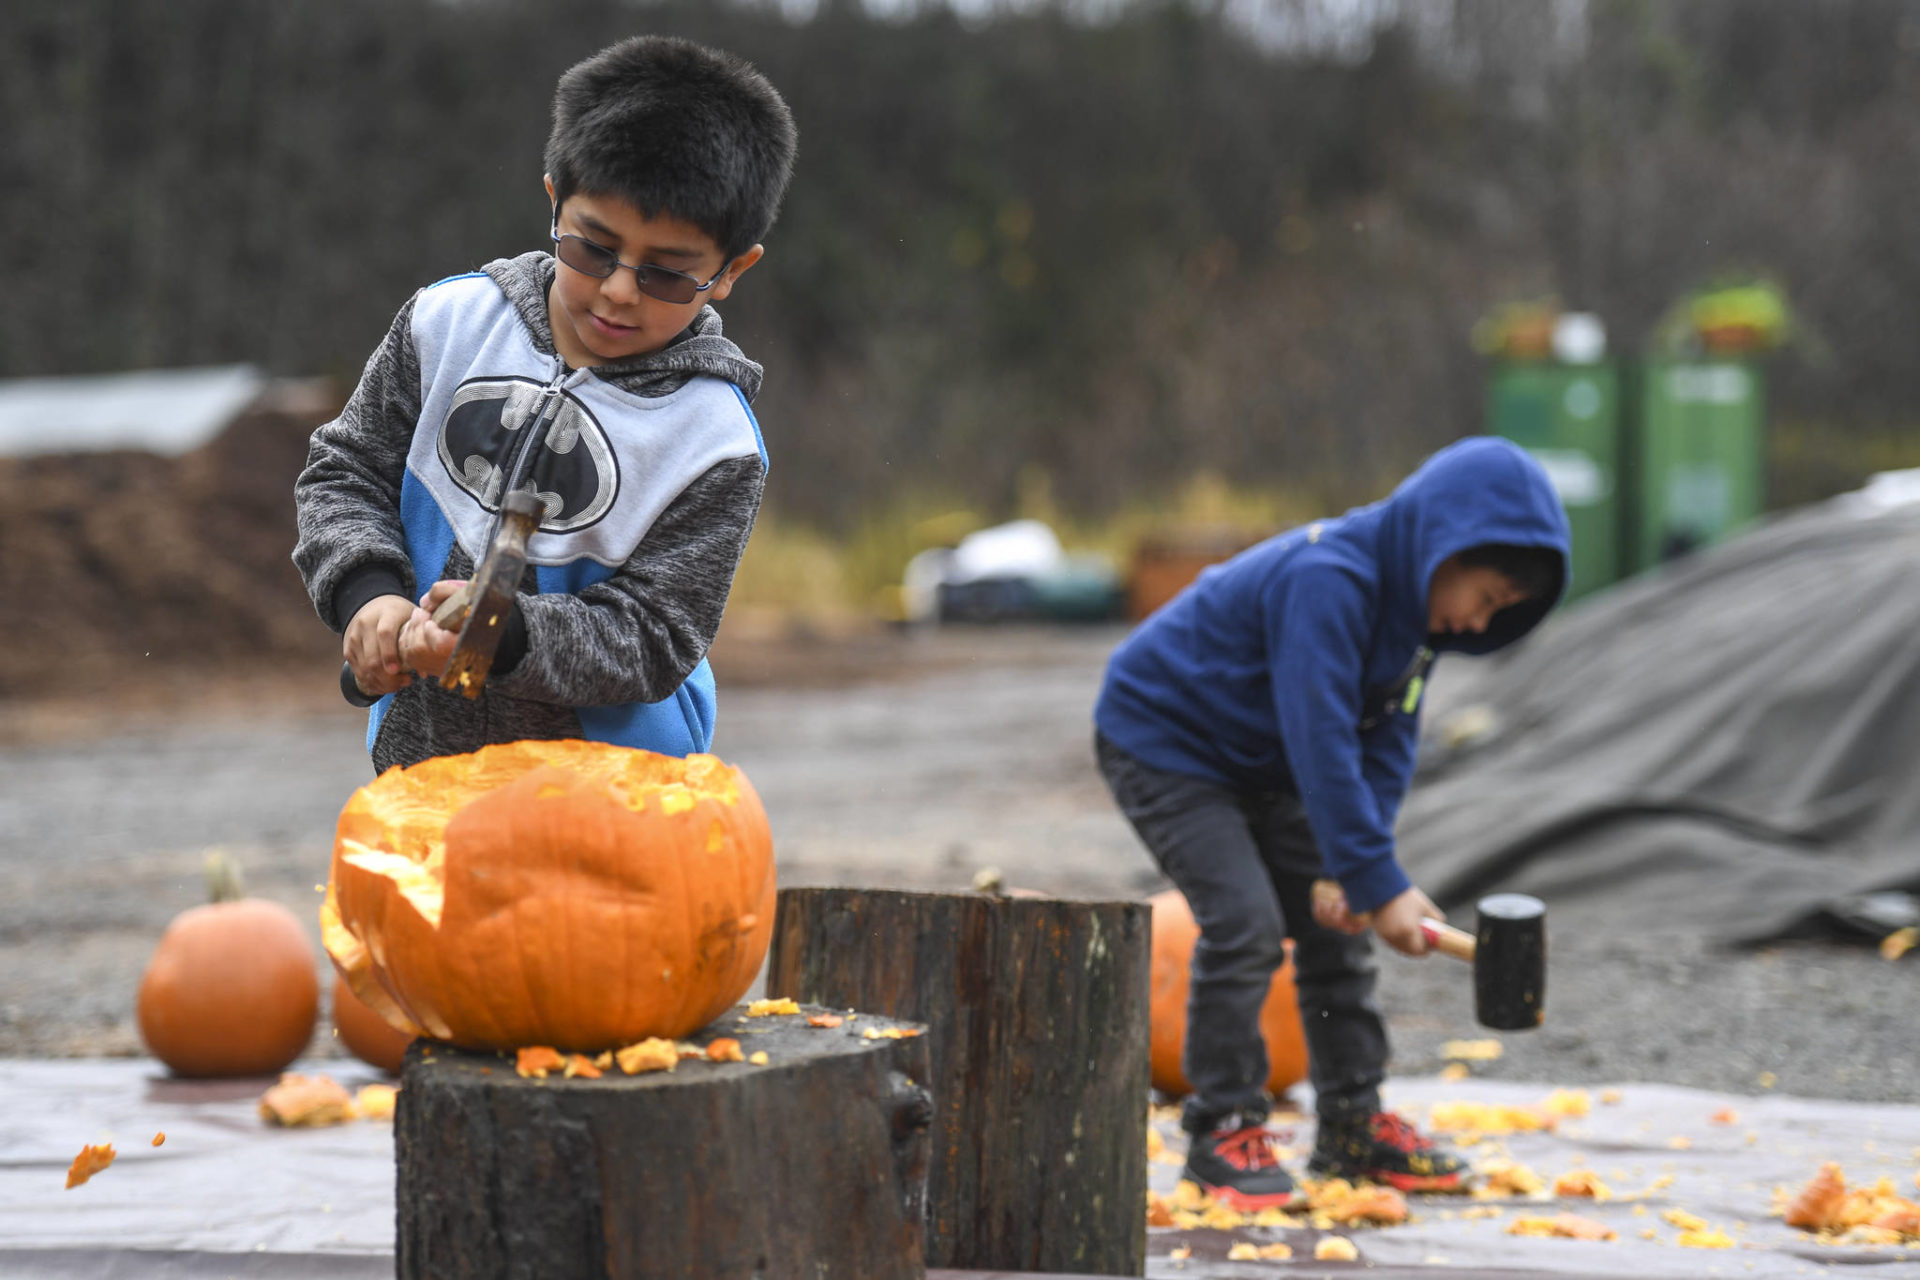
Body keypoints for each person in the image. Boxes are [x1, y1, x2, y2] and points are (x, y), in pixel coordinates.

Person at [294, 36, 797, 772]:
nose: (620, 290)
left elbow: (654, 638)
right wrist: (368, 595)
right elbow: (344, 473)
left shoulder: (714, 440)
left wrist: (505, 632)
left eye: (666, 275)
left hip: (610, 796)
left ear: (730, 271)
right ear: (555, 199)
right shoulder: (447, 325)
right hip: (422, 771)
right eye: (595, 249)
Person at [1093, 436, 1570, 1209]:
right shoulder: (1329, 580)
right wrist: (1378, 882)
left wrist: (1356, 872)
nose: (1480, 625)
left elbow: (1384, 745)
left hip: (1264, 759)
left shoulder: (1420, 625)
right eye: (1483, 599)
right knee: (1244, 923)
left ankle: (1352, 1126)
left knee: (1336, 928)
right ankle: (1223, 1132)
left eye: (1497, 615)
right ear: (1440, 545)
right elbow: (1321, 739)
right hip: (1167, 743)